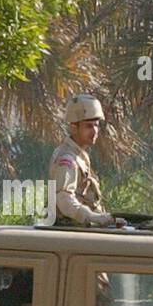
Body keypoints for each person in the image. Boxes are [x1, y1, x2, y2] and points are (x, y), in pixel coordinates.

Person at [50, 94, 117, 227]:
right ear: (74, 128)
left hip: (80, 229)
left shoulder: (80, 155)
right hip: (69, 231)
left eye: (96, 125)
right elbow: (63, 198)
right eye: (88, 126)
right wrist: (91, 216)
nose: (95, 131)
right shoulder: (67, 159)